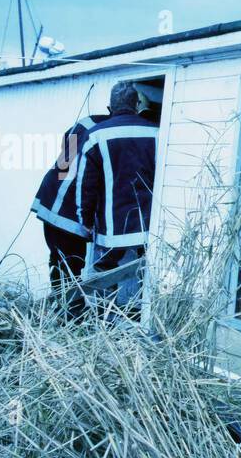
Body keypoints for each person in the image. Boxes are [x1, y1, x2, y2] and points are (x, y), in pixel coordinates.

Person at [76, 82, 159, 309]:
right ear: (136, 105)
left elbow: (87, 184)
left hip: (112, 223)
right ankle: (143, 314)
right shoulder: (157, 132)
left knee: (106, 270)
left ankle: (106, 319)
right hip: (149, 223)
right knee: (147, 269)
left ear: (110, 107)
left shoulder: (96, 135)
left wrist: (85, 219)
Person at [30, 110, 108, 310]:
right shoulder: (104, 131)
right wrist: (88, 220)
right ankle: (70, 312)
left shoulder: (88, 122)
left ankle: (65, 307)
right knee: (70, 261)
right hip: (66, 204)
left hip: (52, 194)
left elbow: (67, 148)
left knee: (60, 258)